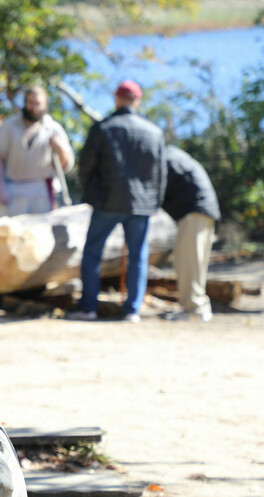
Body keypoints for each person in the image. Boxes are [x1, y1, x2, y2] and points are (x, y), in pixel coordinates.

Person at [69, 80, 167, 322]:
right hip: (141, 205)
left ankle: (88, 307)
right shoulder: (154, 132)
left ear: (116, 98)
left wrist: (92, 196)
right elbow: (161, 173)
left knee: (93, 252)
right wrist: (155, 202)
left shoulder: (103, 128)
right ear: (138, 101)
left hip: (107, 202)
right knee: (138, 256)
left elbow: (85, 168)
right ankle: (132, 310)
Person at [0, 85, 74, 218]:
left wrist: (60, 148)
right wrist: (1, 187)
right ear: (25, 103)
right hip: (12, 189)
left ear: (45, 105)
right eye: (30, 103)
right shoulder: (9, 126)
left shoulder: (54, 129)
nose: (34, 108)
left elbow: (65, 166)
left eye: (38, 103)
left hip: (42, 192)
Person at [162, 145, 220, 322]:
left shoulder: (165, 158)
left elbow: (157, 191)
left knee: (188, 262)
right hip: (202, 210)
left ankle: (195, 309)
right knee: (190, 262)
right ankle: (195, 307)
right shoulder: (174, 155)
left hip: (195, 212)